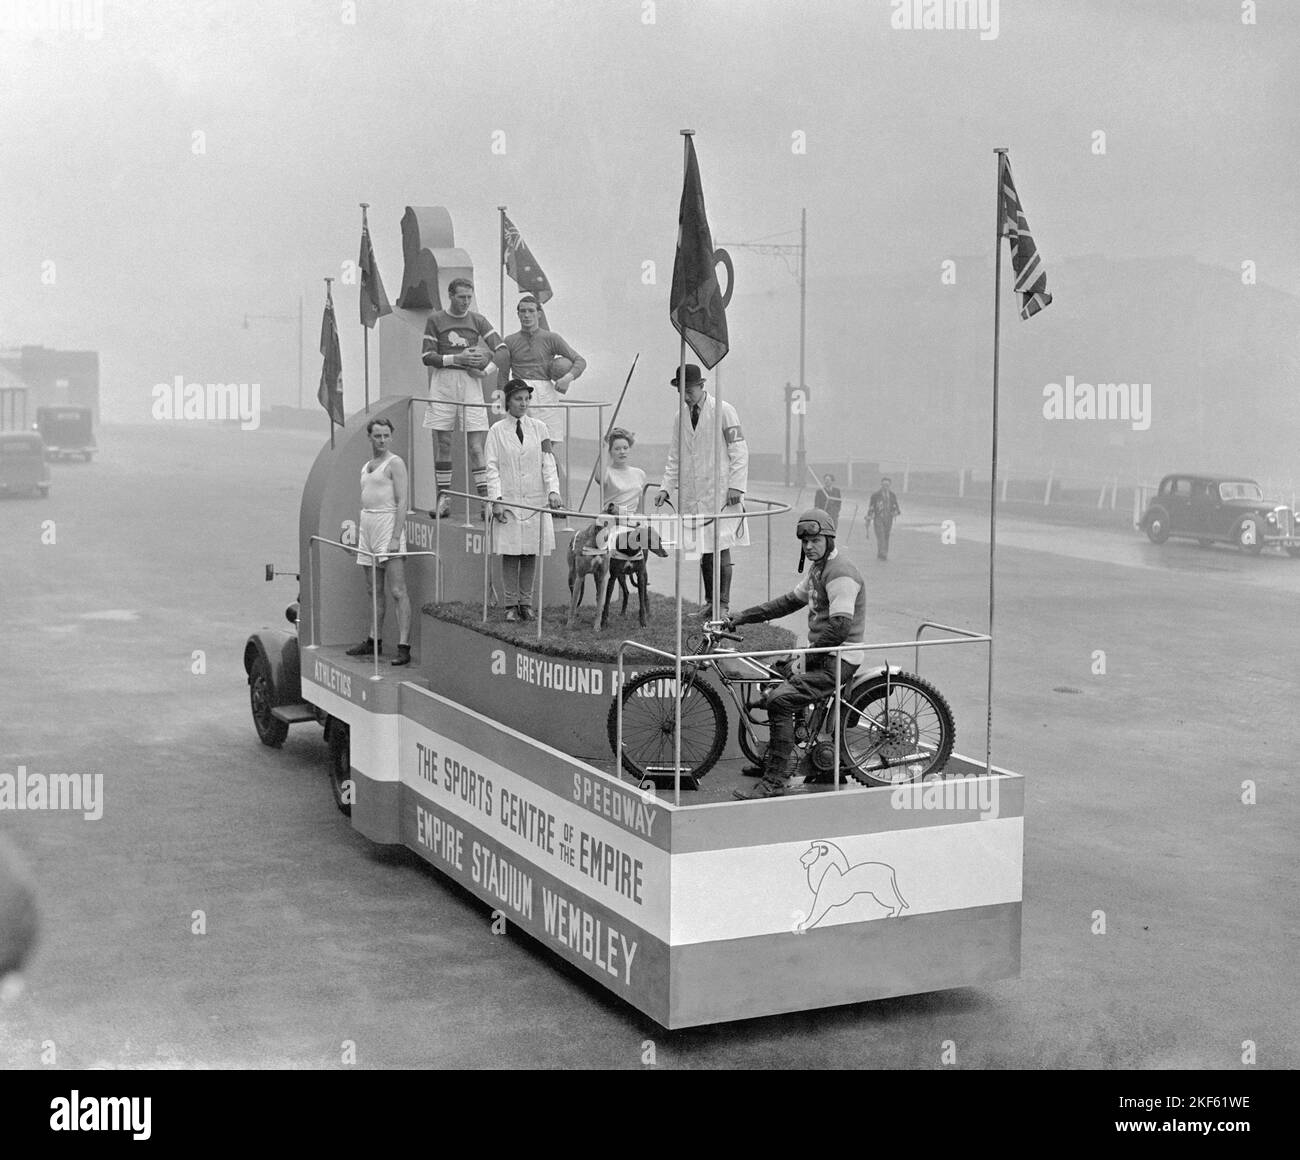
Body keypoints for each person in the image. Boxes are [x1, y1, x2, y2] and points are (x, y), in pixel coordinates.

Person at [727, 508, 866, 799]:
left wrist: (807, 657)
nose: (808, 546)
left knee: (780, 701)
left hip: (839, 659)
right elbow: (788, 603)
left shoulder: (840, 573)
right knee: (775, 673)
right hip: (824, 654)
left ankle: (775, 780)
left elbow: (840, 628)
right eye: (805, 542)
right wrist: (743, 616)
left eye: (815, 540)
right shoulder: (817, 570)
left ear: (828, 539)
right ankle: (775, 759)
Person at [654, 363, 749, 619]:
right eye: (682, 391)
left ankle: (723, 605)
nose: (686, 397)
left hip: (720, 493)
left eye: (690, 391)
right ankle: (710, 603)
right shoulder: (680, 417)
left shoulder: (724, 411)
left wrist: (736, 486)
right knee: (704, 548)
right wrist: (666, 488)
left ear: (701, 386)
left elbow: (739, 450)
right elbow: (675, 456)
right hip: (694, 493)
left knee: (721, 545)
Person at [421, 277, 508, 520]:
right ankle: (443, 499)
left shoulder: (477, 320)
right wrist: (455, 359)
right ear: (450, 295)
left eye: (469, 297)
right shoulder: (435, 320)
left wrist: (485, 370)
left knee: (476, 446)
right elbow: (427, 356)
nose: (466, 302)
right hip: (443, 383)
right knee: (445, 444)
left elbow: (501, 349)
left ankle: (485, 502)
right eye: (461, 297)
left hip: (471, 385)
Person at [483, 379, 563, 622]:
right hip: (508, 499)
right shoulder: (496, 431)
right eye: (518, 399)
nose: (523, 403)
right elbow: (491, 468)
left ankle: (526, 604)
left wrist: (553, 491)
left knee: (530, 551)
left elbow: (548, 462)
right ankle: (510, 605)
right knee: (511, 552)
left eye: (526, 399)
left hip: (534, 499)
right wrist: (496, 500)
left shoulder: (540, 428)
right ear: (508, 401)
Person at [502, 294, 586, 506]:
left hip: (546, 393)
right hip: (520, 392)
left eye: (531, 311)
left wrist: (567, 377)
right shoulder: (510, 341)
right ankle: (523, 499)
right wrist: (501, 402)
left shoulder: (551, 338)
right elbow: (502, 374)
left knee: (550, 448)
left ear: (539, 313)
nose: (527, 315)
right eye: (523, 311)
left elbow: (579, 361)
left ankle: (555, 499)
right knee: (520, 447)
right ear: (518, 314)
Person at [345, 418, 413, 665]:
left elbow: (402, 501)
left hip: (387, 523)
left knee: (397, 590)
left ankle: (404, 646)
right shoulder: (366, 466)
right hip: (368, 525)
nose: (382, 440)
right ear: (370, 437)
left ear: (391, 437)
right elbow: (366, 499)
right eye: (377, 436)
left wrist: (396, 537)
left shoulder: (395, 463)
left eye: (386, 436)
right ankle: (374, 639)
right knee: (373, 589)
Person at [602, 427, 646, 517]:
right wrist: (604, 448)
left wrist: (638, 522)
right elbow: (598, 478)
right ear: (610, 451)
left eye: (625, 448)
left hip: (632, 522)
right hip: (612, 521)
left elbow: (640, 509)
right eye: (617, 449)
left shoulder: (639, 473)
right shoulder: (606, 473)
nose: (622, 452)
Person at [866, 476, 902, 560]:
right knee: (880, 535)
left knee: (886, 536)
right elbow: (871, 507)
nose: (885, 487)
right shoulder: (875, 495)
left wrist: (896, 512)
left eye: (887, 485)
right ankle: (883, 553)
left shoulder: (892, 495)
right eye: (884, 485)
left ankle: (881, 552)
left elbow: (896, 507)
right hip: (878, 518)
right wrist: (869, 516)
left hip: (889, 518)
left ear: (890, 485)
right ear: (881, 485)